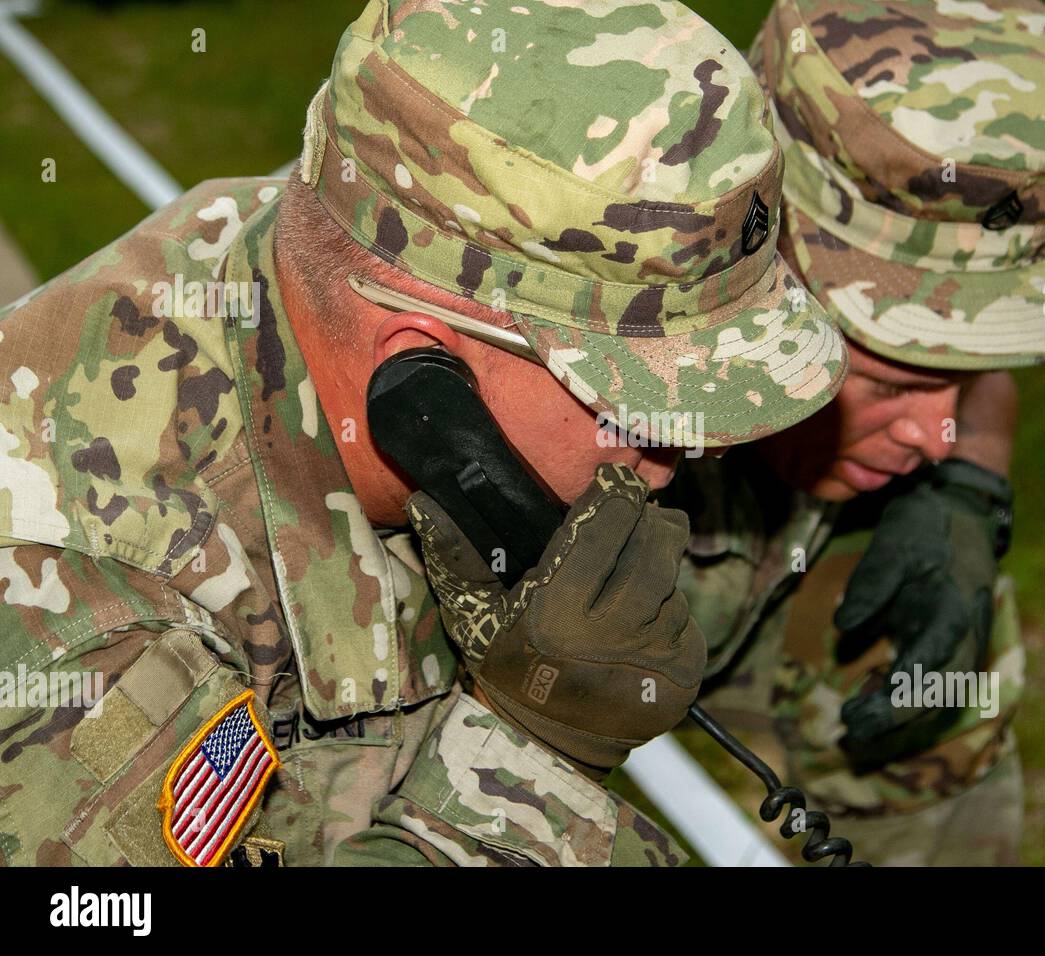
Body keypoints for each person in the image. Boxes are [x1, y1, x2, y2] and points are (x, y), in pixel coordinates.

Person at [0, 0, 845, 867]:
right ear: (422, 382)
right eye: (639, 407)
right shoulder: (74, 628)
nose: (682, 457)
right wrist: (534, 755)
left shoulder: (361, 235)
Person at [671, 0, 1045, 865]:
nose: (936, 435)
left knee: (933, 678)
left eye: (959, 367)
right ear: (750, 266)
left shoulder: (888, 379)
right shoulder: (535, 361)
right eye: (894, 378)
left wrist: (969, 489)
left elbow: (957, 379)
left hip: (764, 534)